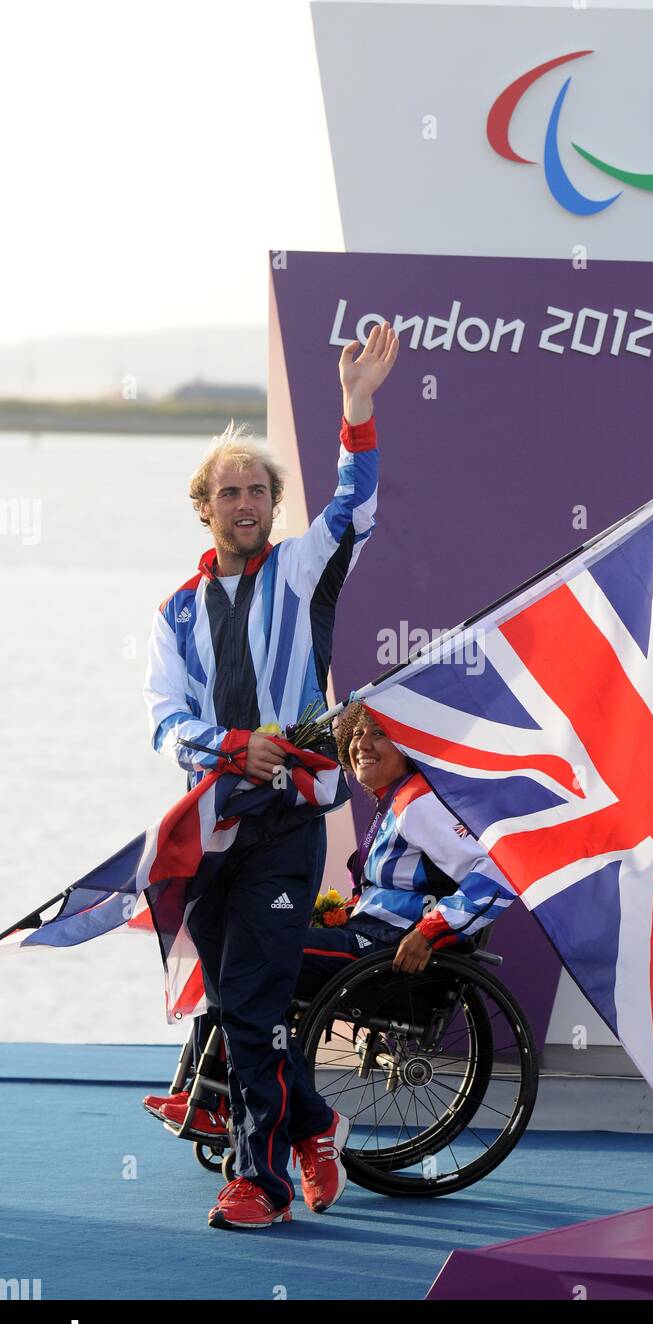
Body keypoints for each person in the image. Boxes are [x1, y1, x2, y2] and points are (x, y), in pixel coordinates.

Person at [140, 323, 400, 1230]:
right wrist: (225, 747)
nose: (243, 502)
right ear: (203, 508)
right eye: (227, 491)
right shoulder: (176, 611)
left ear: (271, 503)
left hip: (289, 825)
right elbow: (165, 719)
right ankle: (314, 1121)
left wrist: (355, 409)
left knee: (249, 1005)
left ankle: (258, 1182)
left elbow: (356, 508)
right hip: (211, 824)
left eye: (256, 490)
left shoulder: (301, 569)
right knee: (235, 1001)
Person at [295, 700, 517, 998]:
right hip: (371, 940)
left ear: (408, 745)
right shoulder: (396, 800)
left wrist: (430, 932)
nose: (362, 744)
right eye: (358, 733)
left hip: (382, 951)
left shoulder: (418, 801)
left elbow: (499, 872)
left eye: (378, 734)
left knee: (265, 948)